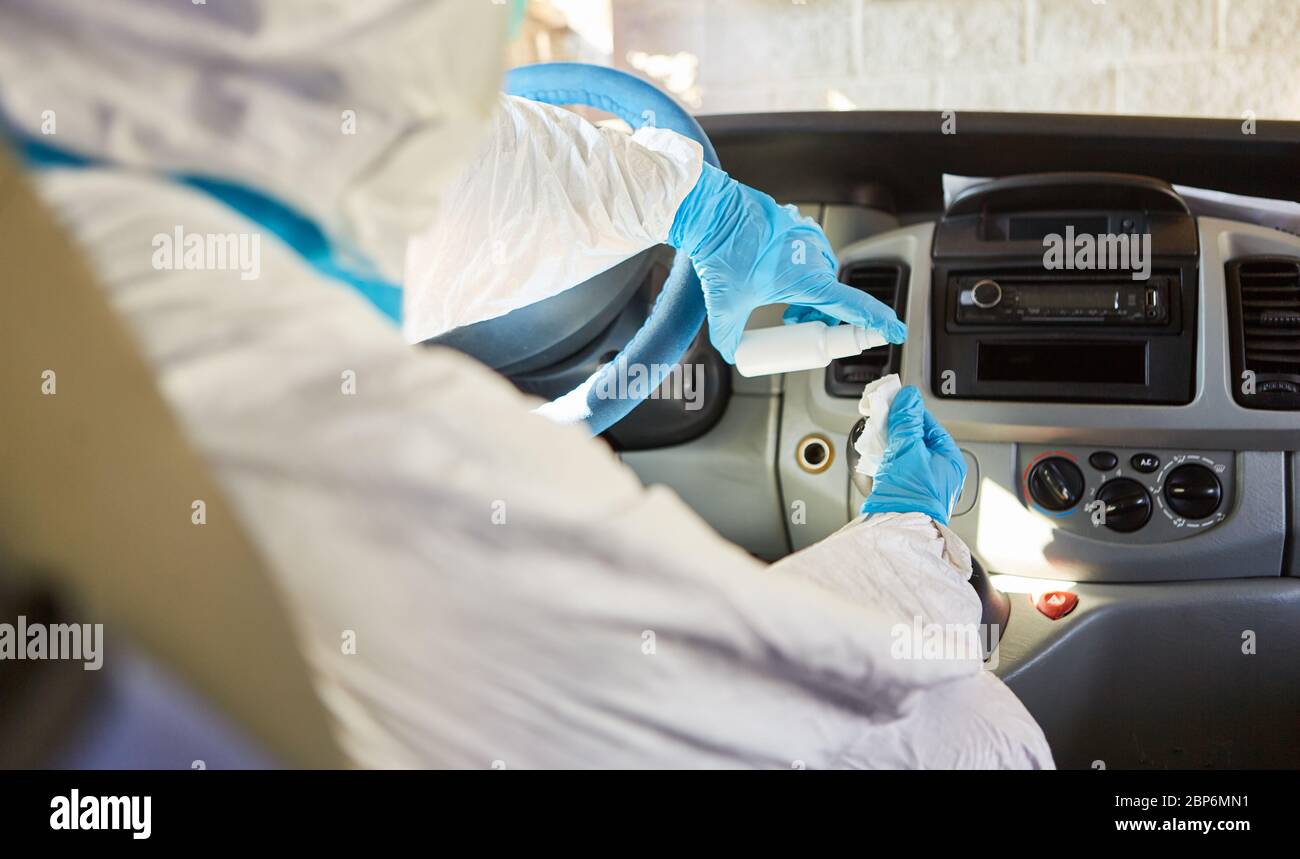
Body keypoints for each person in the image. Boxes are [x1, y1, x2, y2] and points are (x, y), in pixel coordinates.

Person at [0, 0, 1051, 767]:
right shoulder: (242, 403)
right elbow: (786, 689)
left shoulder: (71, 185)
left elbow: (337, 139)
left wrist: (689, 205)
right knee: (965, 722)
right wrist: (922, 549)